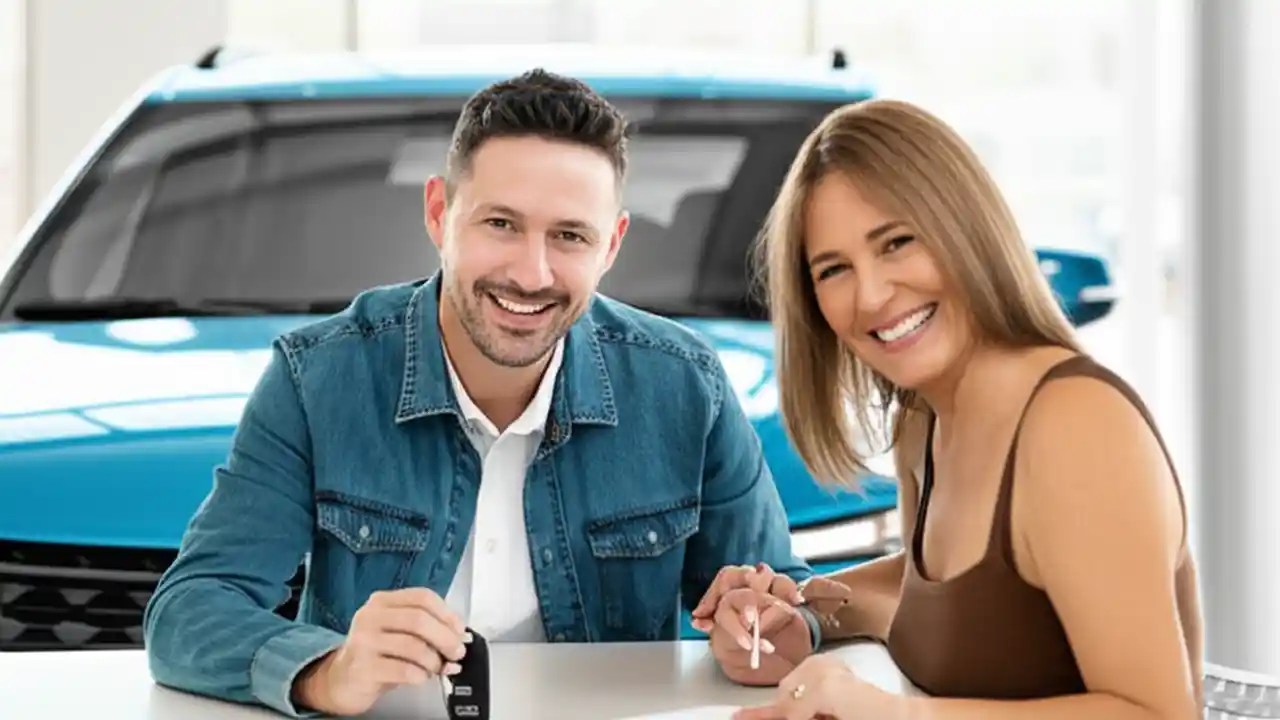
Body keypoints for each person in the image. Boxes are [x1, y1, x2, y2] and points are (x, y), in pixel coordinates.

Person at [141, 69, 848, 718]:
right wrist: (328, 670)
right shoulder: (318, 378)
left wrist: (766, 632)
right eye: (501, 224)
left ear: (611, 246)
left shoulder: (687, 385)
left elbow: (783, 605)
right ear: (439, 213)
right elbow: (190, 609)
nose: (531, 273)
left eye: (570, 235)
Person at [693, 98, 1205, 719]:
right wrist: (794, 613)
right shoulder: (925, 419)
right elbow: (946, 601)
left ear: (966, 228)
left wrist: (892, 715)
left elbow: (1156, 714)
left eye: (897, 242)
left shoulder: (1075, 425)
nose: (873, 295)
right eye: (834, 271)